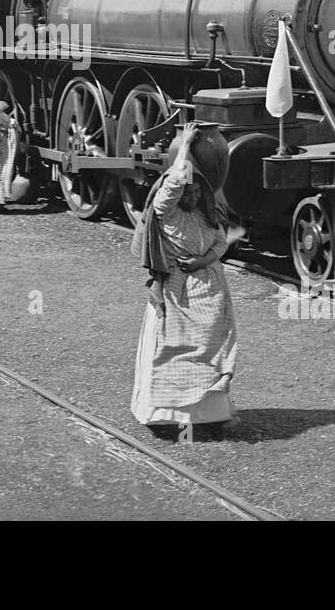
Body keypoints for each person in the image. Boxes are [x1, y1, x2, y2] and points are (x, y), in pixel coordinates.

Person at [130, 121, 240, 439]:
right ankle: (169, 415)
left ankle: (211, 414)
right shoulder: (169, 214)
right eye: (187, 193)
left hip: (209, 288)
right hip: (177, 291)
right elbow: (171, 187)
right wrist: (187, 149)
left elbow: (220, 242)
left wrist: (202, 260)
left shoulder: (204, 216)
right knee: (175, 348)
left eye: (196, 192)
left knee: (212, 347)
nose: (192, 196)